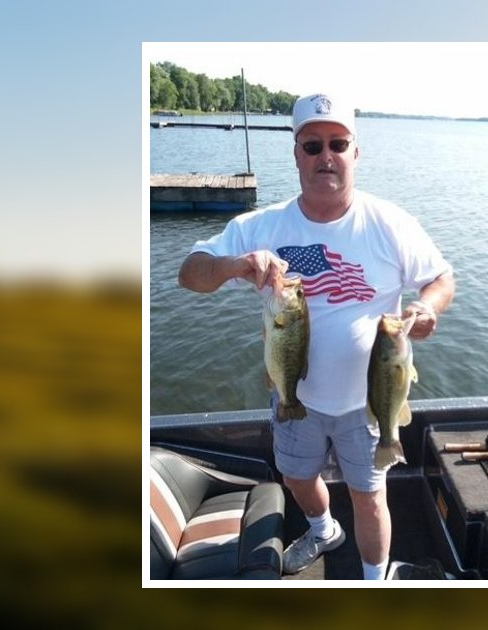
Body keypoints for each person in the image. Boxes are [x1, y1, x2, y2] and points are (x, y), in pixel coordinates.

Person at [178, 93, 455, 581]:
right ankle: (324, 529)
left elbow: (441, 278)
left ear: (355, 152)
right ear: (296, 154)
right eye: (312, 146)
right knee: (296, 477)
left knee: (370, 498)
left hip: (369, 402)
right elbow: (190, 274)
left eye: (337, 143)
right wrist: (234, 265)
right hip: (295, 396)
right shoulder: (262, 226)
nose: (325, 155)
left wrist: (428, 307)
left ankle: (373, 583)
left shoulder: (390, 223)